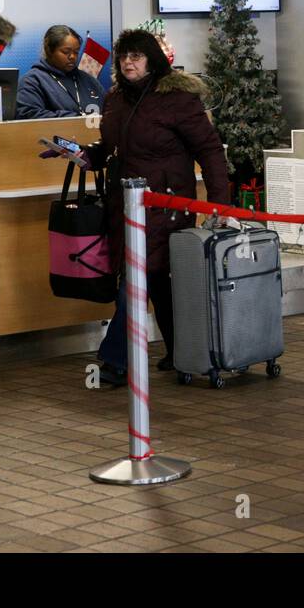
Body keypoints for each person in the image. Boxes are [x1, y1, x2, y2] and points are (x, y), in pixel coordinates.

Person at [81, 29, 233, 385]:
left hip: (166, 205)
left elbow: (209, 151)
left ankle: (116, 362)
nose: (128, 62)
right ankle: (184, 349)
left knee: (135, 279)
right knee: (157, 278)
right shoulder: (115, 99)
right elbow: (110, 146)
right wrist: (85, 156)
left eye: (136, 56)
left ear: (153, 60)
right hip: (126, 204)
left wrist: (219, 203)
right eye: (123, 57)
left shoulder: (177, 99)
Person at [16, 25, 105, 118]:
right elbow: (29, 115)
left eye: (76, 52)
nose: (72, 57)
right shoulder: (32, 81)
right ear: (49, 50)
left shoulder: (89, 81)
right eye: (66, 52)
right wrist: (76, 118)